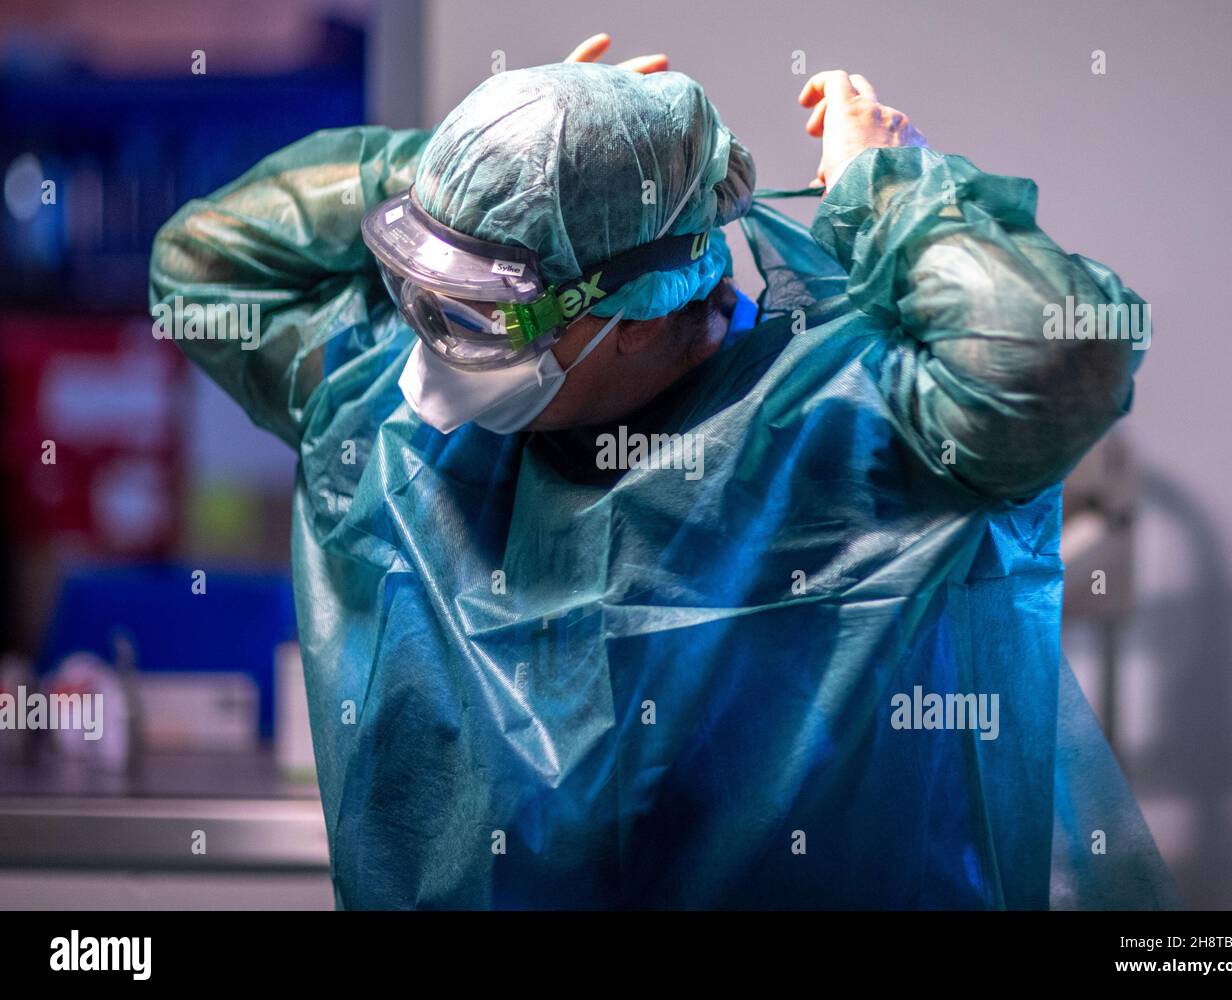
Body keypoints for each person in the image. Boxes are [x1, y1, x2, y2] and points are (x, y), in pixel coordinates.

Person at [150, 34, 1177, 909]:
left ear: (644, 302)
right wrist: (470, 171)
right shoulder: (389, 425)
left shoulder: (854, 435)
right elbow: (202, 269)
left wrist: (891, 195)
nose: (428, 345)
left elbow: (1053, 358)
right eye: (416, 286)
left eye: (480, 312)